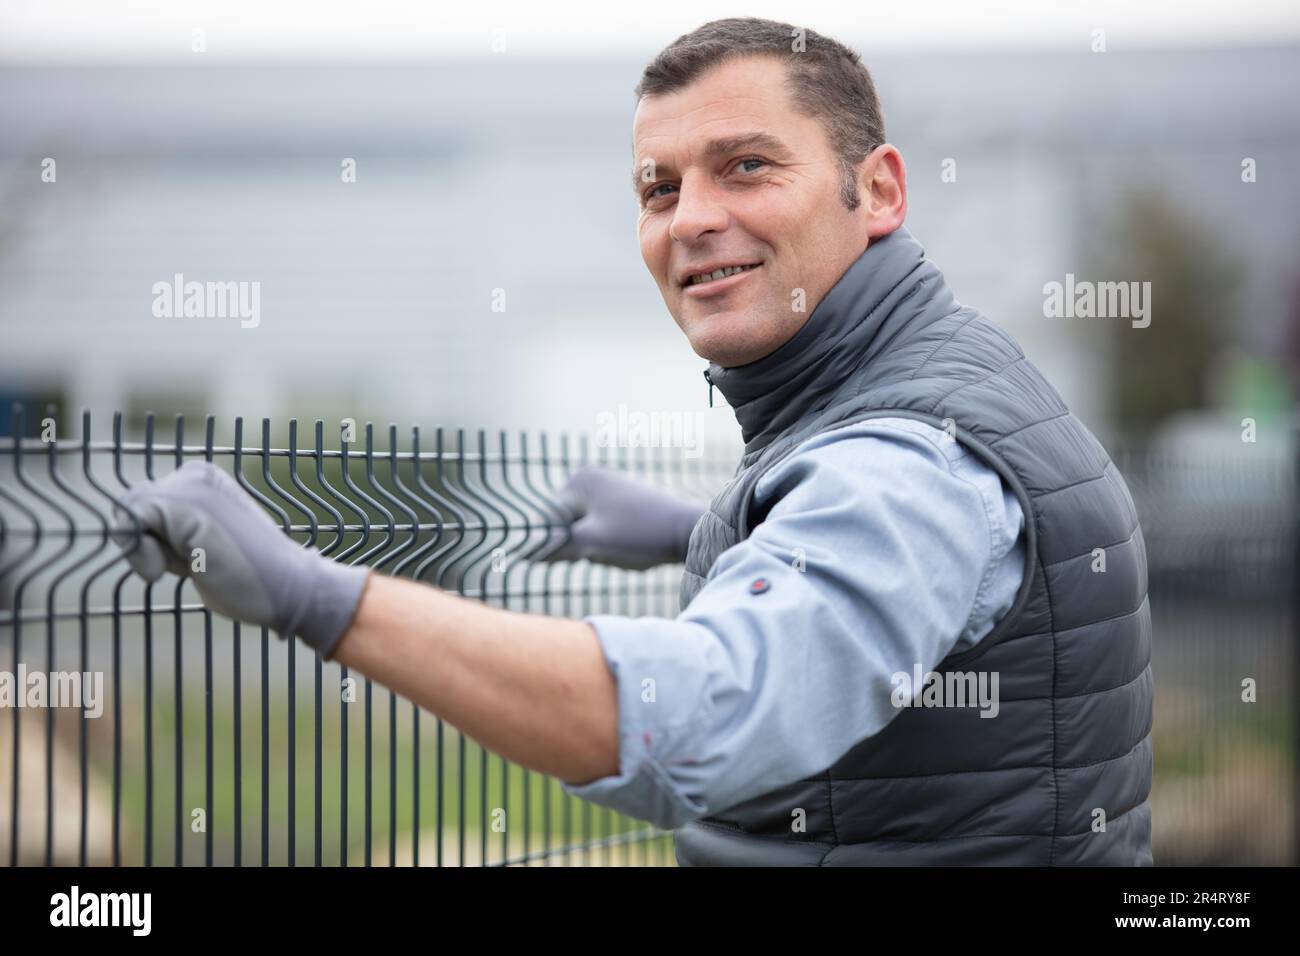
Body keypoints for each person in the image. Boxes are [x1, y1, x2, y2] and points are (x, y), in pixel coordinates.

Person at [111, 17, 1152, 866]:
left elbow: (699, 719)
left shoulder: (907, 463)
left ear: (875, 190)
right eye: (659, 188)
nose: (690, 218)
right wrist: (699, 533)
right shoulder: (925, 373)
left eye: (745, 166)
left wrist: (311, 593)